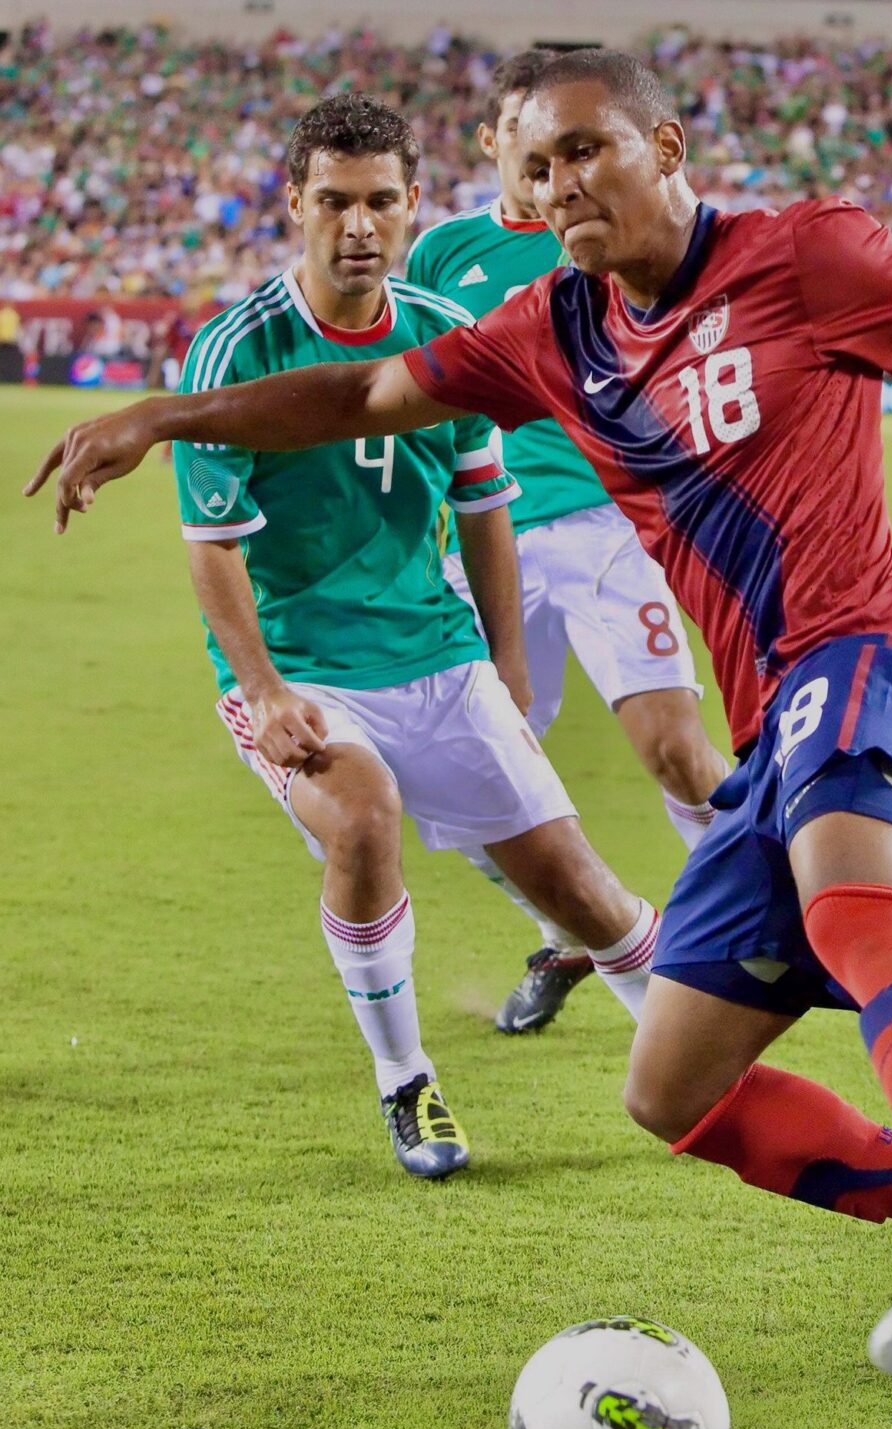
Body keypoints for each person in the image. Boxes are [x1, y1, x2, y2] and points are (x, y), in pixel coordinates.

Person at [27, 52, 892, 1372]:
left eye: (587, 151)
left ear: (662, 145)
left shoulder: (803, 255)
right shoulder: (554, 330)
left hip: (881, 649)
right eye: (536, 169)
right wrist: (162, 414)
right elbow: (362, 394)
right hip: (781, 723)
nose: (561, 185)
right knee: (673, 1091)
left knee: (852, 904)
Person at [58, 93, 664, 1184]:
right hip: (300, 670)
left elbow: (484, 510)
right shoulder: (232, 350)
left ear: (412, 206)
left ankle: (691, 1064)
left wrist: (507, 672)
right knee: (364, 816)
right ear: (293, 204)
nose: (358, 227)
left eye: (380, 202)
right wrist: (264, 689)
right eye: (332, 201)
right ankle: (405, 1081)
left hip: (436, 655)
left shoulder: (446, 335)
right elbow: (214, 547)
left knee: (579, 892)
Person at [407, 51, 726, 1035]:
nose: (548, 164)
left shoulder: (610, 233)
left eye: (568, 144)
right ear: (496, 143)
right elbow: (410, 394)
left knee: (674, 750)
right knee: (452, 784)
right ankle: (587, 928)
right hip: (480, 539)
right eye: (527, 143)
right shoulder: (440, 253)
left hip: (606, 527)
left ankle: (776, 919)